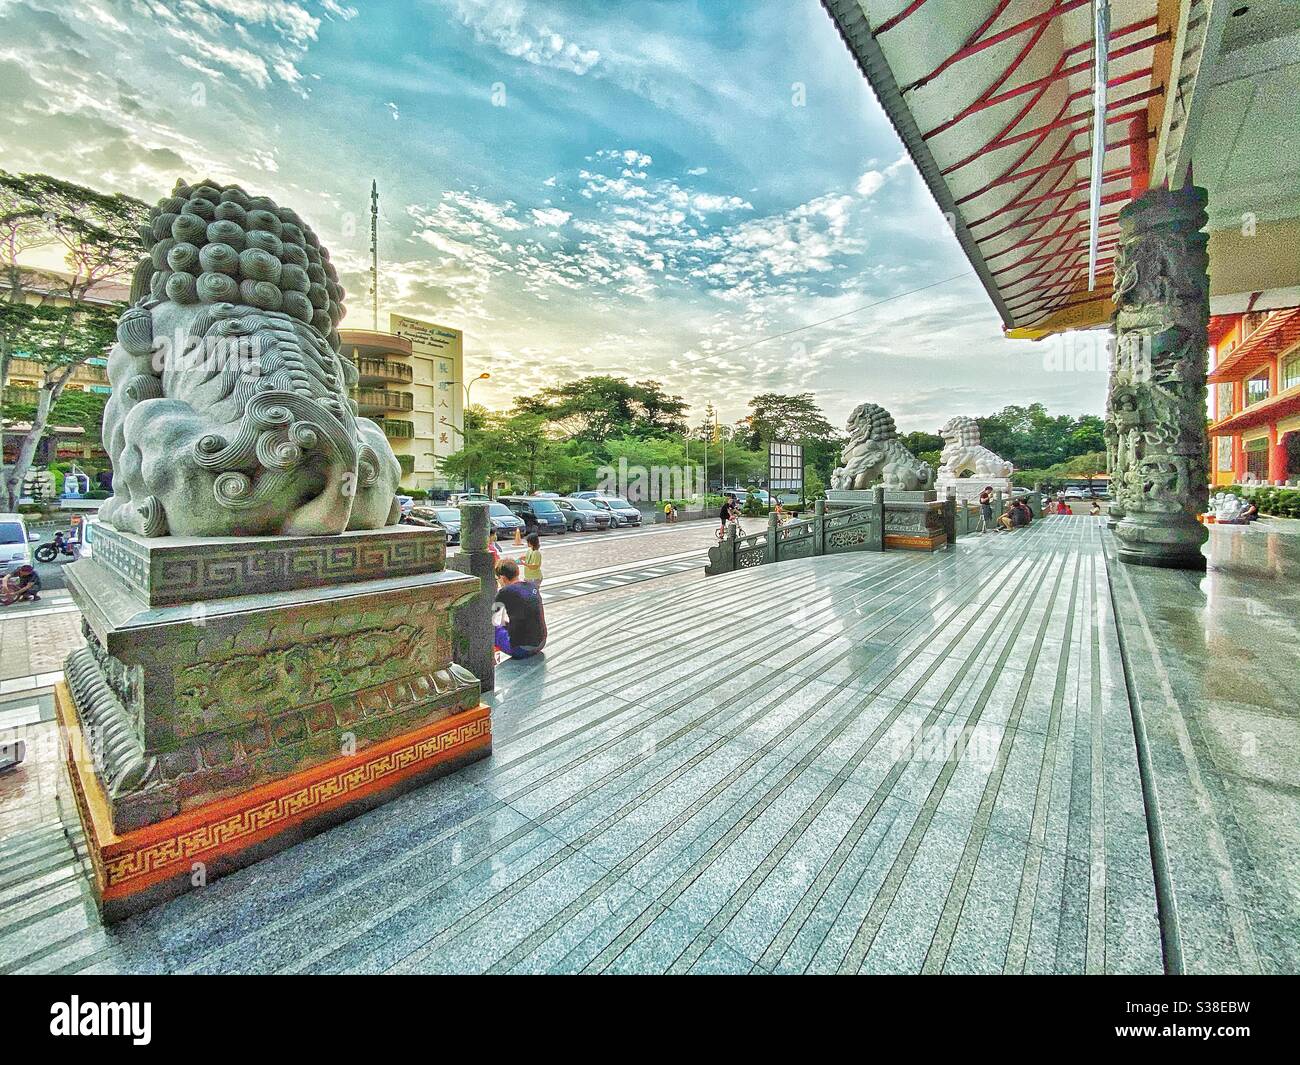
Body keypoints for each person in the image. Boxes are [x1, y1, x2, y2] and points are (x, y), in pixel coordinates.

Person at [493, 559, 546, 659]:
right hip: (541, 643)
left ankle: (492, 659)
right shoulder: (532, 587)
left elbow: (490, 614)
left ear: (503, 578)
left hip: (521, 649)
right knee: (506, 623)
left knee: (491, 627)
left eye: (497, 579)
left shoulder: (505, 591)